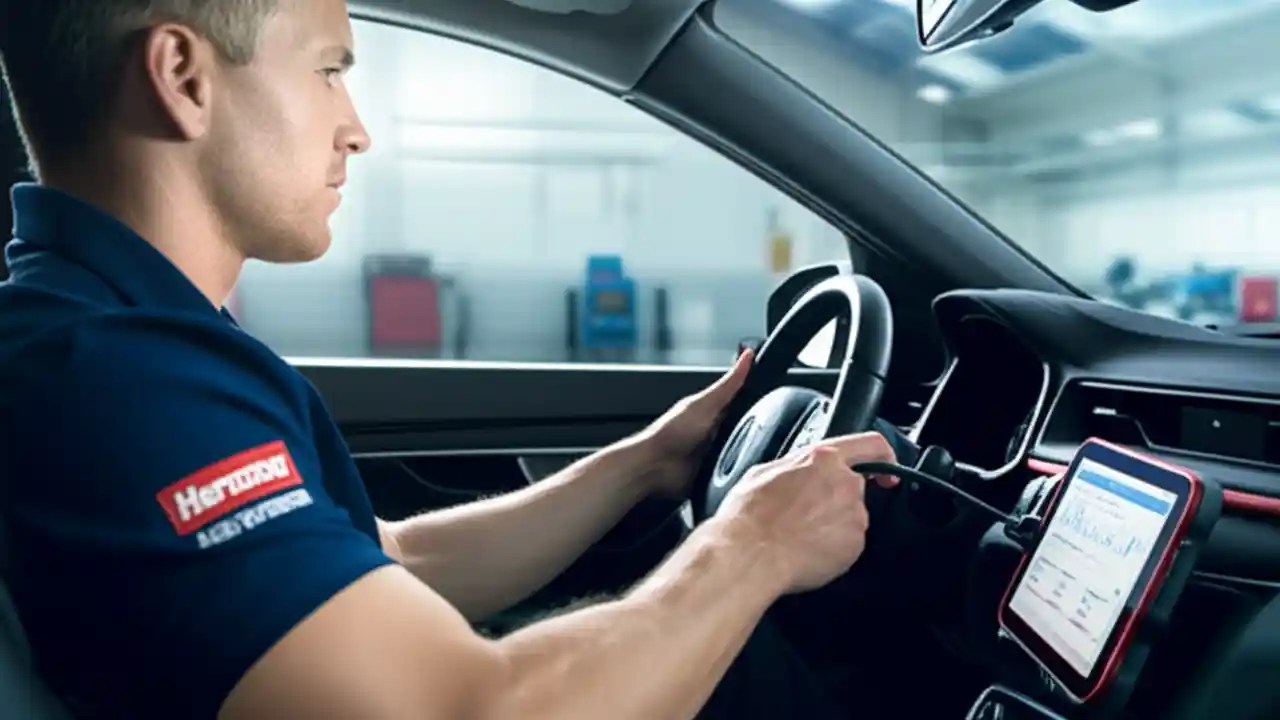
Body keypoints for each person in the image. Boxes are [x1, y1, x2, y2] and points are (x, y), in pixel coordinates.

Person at [0, 1, 899, 718]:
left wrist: (645, 464)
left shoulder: (109, 332)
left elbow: (384, 563)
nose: (356, 130)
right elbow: (464, 709)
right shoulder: (117, 380)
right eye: (326, 71)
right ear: (183, 77)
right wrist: (755, 544)